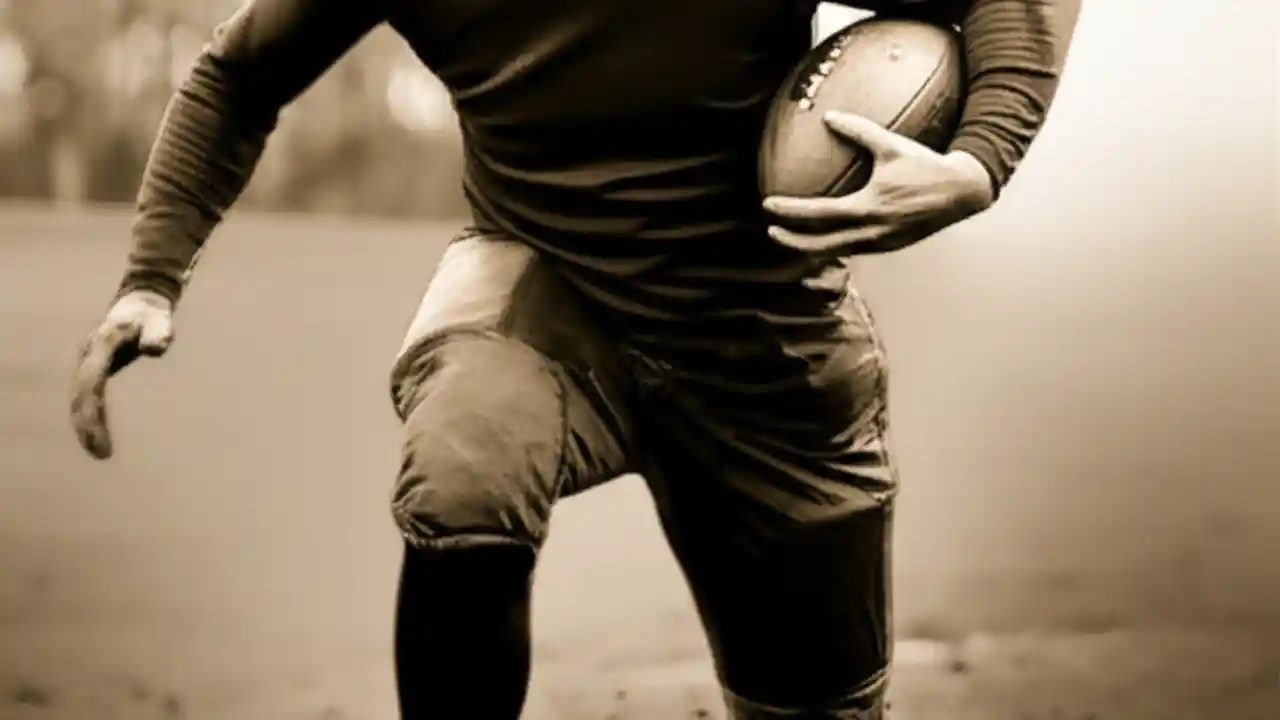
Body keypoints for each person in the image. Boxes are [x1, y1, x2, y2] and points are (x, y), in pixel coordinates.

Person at [70, 1, 1079, 717]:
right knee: (463, 469)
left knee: (815, 705)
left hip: (758, 330)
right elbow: (237, 74)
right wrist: (150, 281)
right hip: (540, 290)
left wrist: (976, 163)